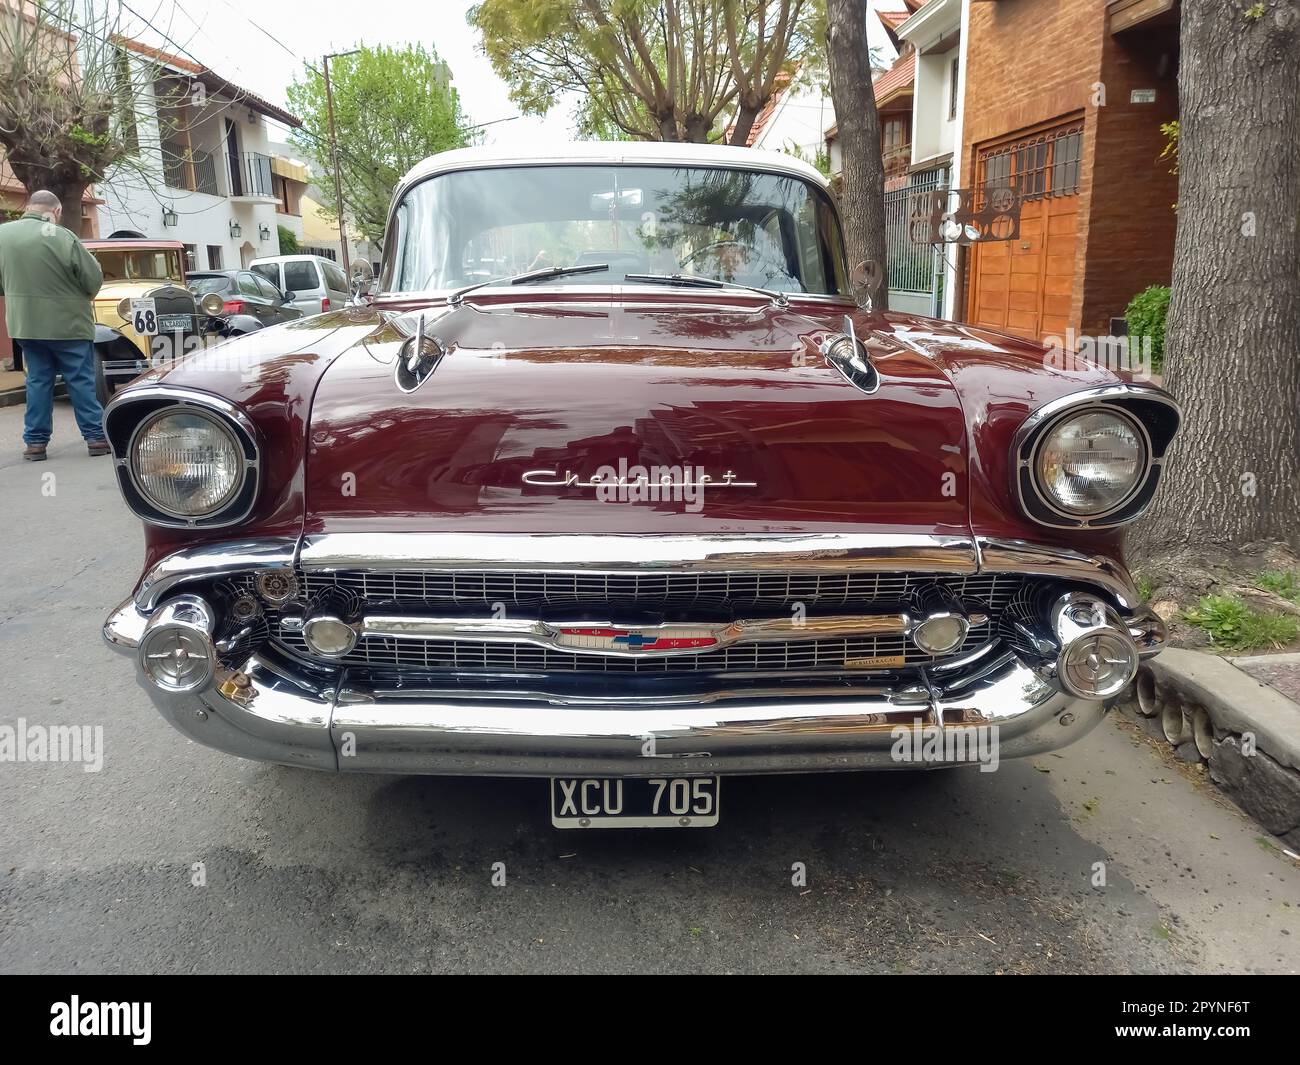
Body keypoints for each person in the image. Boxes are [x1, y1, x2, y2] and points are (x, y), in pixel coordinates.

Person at [0, 190, 108, 461]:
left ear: (29, 207)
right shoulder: (62, 236)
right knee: (80, 380)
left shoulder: (3, 235)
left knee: (37, 381)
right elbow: (92, 278)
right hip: (68, 324)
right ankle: (95, 438)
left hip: (26, 323)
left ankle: (35, 444)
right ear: (55, 211)